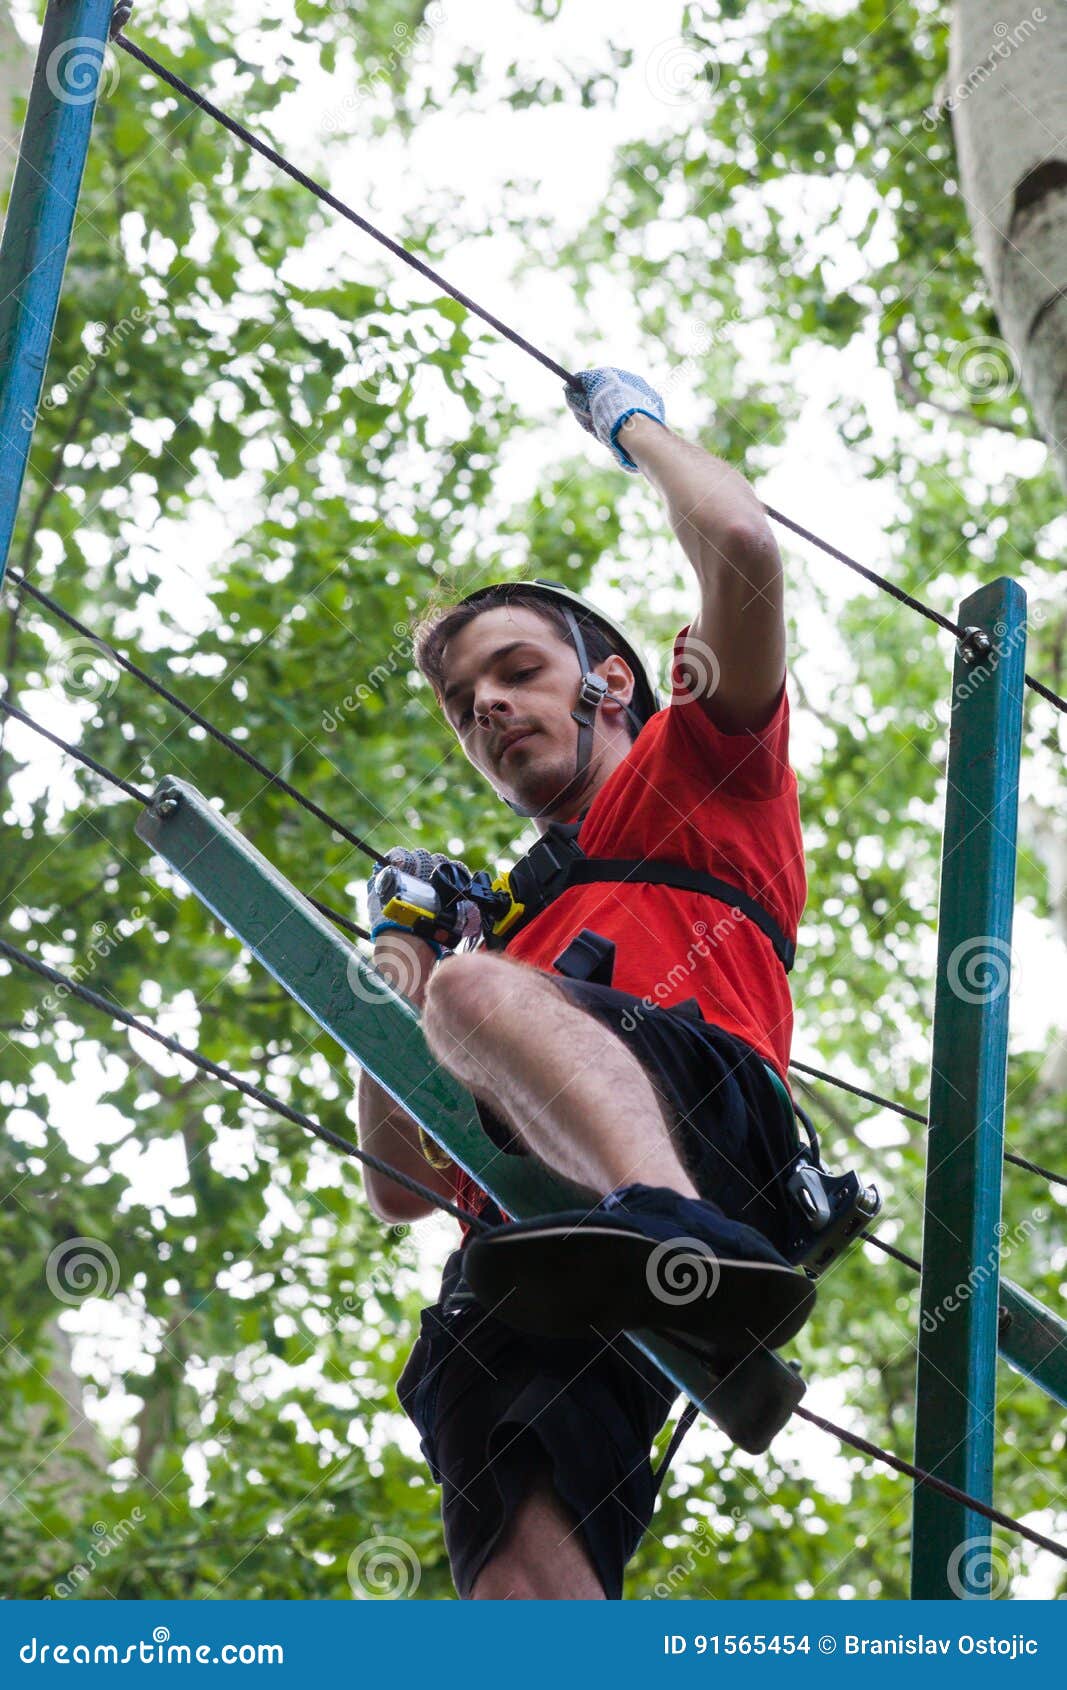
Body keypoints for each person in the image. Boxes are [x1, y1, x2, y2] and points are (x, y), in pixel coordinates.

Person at [355, 367, 810, 1601]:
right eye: (462, 705)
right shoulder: (498, 931)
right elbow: (398, 1184)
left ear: (607, 680)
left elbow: (738, 542)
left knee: (474, 999)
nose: (487, 708)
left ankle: (676, 1226)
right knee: (517, 1589)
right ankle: (649, 1230)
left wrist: (628, 423)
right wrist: (398, 963)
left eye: (514, 671)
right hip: (542, 1242)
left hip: (708, 1124)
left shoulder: (694, 765)